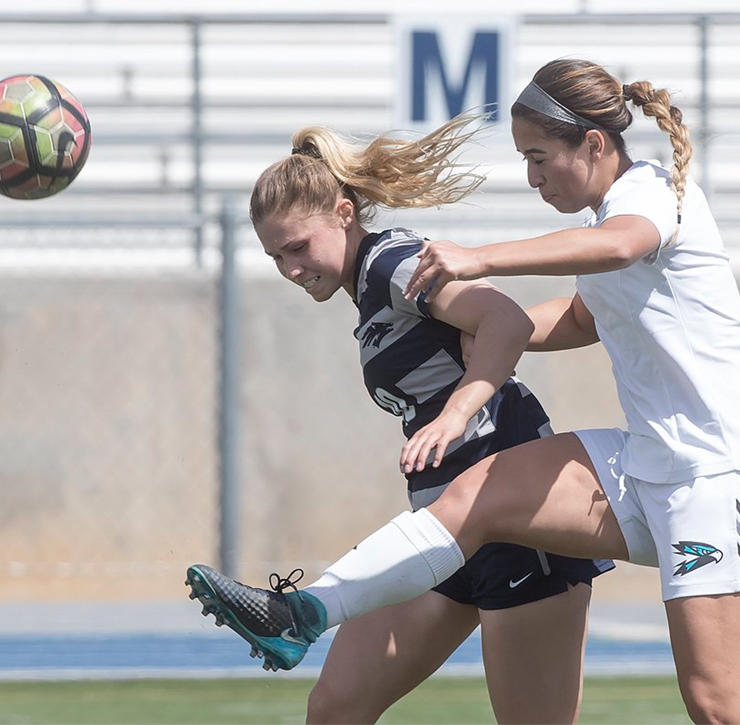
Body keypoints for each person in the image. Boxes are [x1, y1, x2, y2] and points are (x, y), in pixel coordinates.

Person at [188, 58, 740, 725]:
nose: (532, 177)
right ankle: (300, 613)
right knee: (472, 499)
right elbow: (582, 318)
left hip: (719, 471)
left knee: (720, 703)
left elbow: (622, 246)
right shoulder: (601, 223)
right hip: (652, 459)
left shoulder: (648, 192)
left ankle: (301, 612)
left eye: (539, 158)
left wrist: (483, 266)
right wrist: (488, 336)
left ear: (593, 144)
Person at [188, 115, 614, 723]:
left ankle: (295, 613)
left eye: (298, 247)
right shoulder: (367, 288)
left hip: (516, 526)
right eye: (275, 255)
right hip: (444, 530)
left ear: (342, 213)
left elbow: (508, 322)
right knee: (334, 709)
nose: (289, 268)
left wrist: (456, 414)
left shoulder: (390, 262)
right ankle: (293, 618)